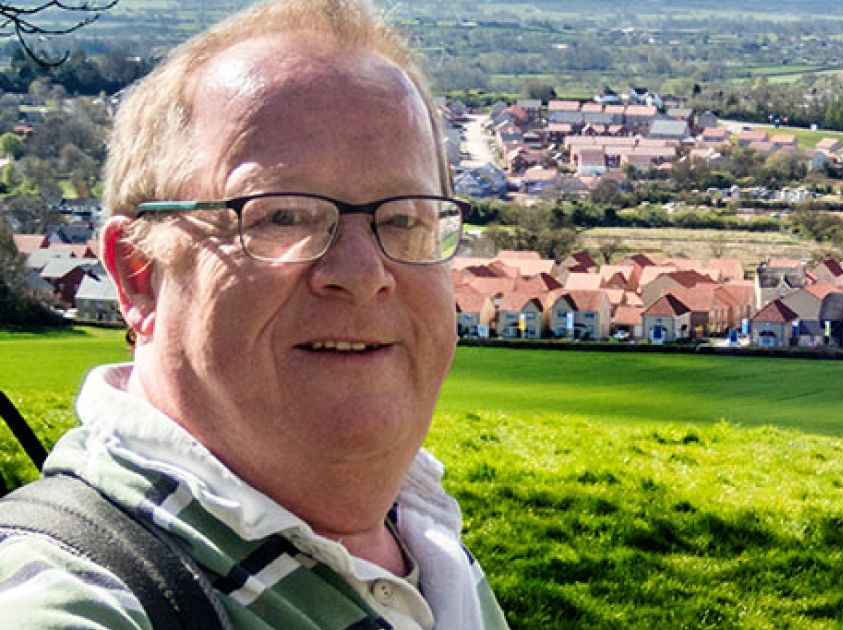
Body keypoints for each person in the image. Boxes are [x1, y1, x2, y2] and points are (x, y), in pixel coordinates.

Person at [0, 0, 508, 627]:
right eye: (282, 216)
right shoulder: (81, 596)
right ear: (139, 275)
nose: (362, 274)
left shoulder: (429, 546)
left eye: (404, 219)